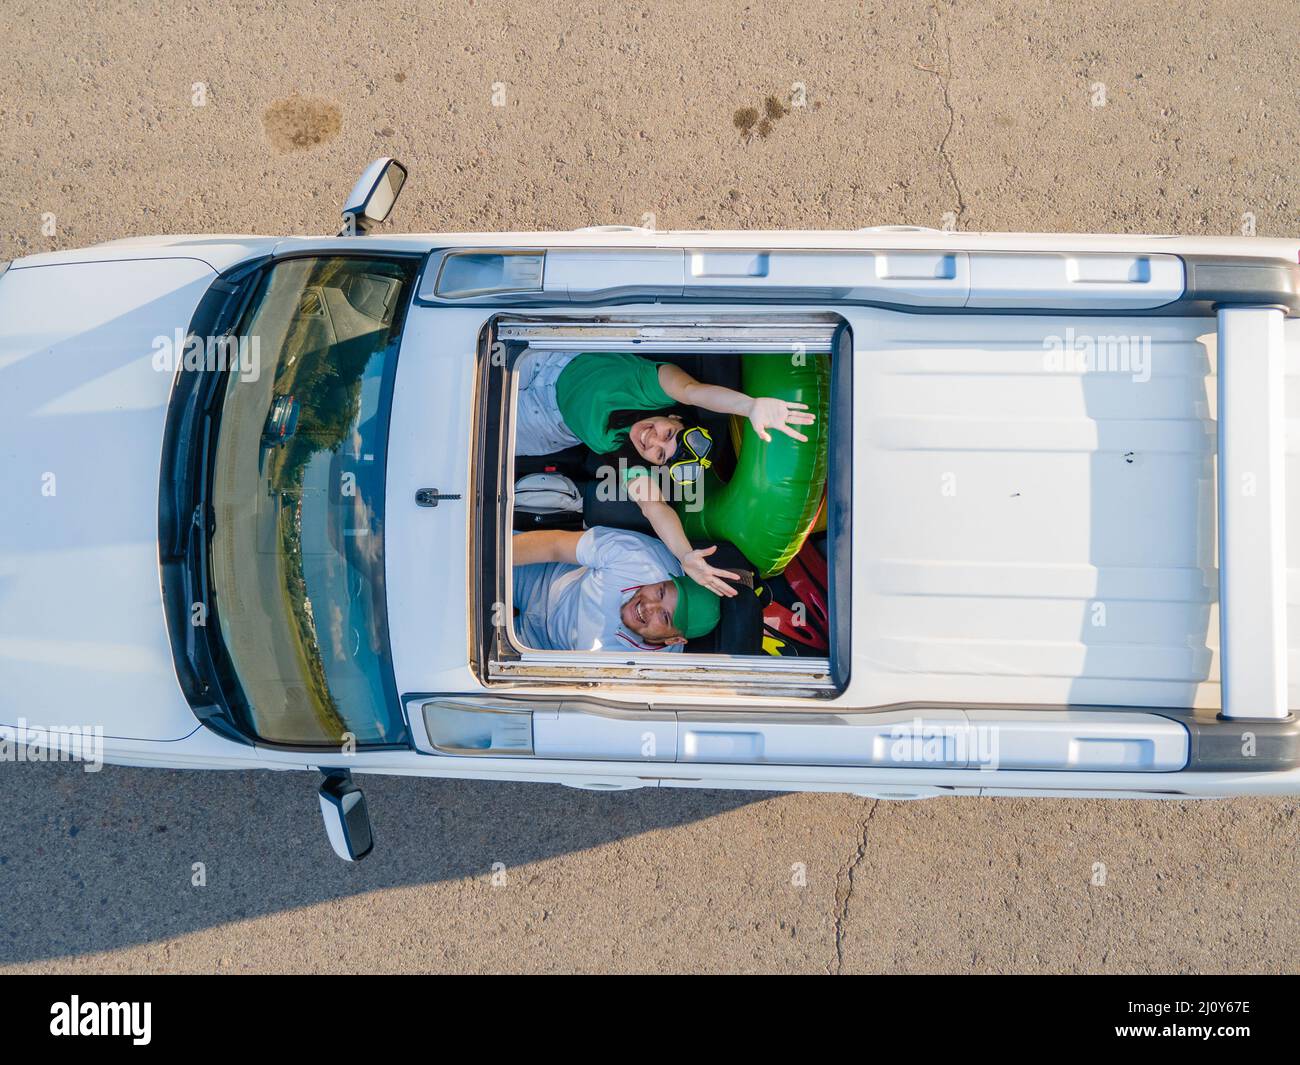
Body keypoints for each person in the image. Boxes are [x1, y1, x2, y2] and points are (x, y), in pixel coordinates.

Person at [513, 350, 815, 596]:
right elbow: (693, 391)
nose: (652, 440)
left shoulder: (628, 458)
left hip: (548, 426)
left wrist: (685, 556)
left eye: (659, 455)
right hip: (548, 363)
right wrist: (749, 406)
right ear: (673, 416)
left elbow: (655, 507)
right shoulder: (651, 388)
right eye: (668, 434)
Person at [511, 526, 722, 652]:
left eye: (665, 616)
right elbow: (554, 546)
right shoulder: (640, 555)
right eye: (660, 592)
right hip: (541, 576)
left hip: (542, 648)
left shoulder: (650, 677)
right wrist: (487, 555)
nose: (649, 606)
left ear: (674, 640)